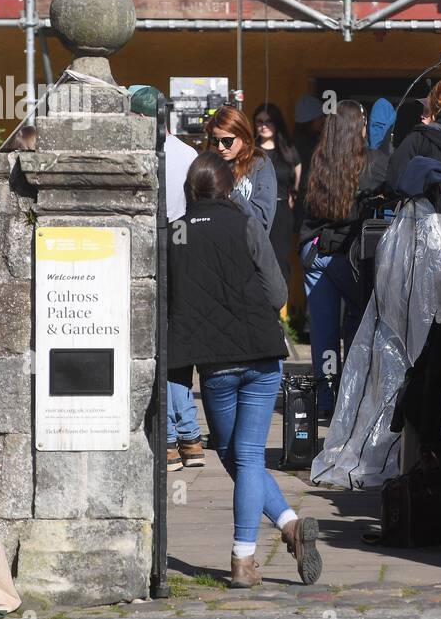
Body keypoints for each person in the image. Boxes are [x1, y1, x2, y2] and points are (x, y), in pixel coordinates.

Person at [168, 152, 321, 587]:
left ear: (190, 191)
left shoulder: (175, 233)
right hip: (261, 352)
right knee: (245, 455)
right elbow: (276, 291)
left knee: (235, 454)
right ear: (227, 187)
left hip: (216, 363)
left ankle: (243, 560)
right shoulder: (246, 224)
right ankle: (289, 526)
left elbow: (171, 303)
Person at [130, 84, 204, 468]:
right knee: (175, 352)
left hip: (146, 253)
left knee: (156, 349)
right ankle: (188, 437)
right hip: (182, 254)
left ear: (141, 118)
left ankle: (175, 440)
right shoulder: (190, 154)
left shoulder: (139, 152)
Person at [299, 99, 381, 413]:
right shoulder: (369, 163)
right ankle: (350, 398)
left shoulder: (319, 159)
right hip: (347, 256)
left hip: (315, 250)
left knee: (323, 330)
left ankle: (325, 398)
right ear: (357, 126)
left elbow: (307, 209)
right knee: (357, 323)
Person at [204, 105, 277, 234]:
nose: (220, 147)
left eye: (227, 141)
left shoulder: (260, 164)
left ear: (243, 136)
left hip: (246, 247)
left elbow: (262, 220)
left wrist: (231, 192)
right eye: (215, 140)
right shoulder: (209, 165)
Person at [253, 101, 302, 287]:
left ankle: (280, 311)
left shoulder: (288, 150)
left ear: (277, 123)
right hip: (256, 209)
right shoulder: (250, 151)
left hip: (281, 210)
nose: (264, 125)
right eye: (259, 121)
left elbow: (297, 174)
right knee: (256, 259)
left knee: (280, 260)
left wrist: (293, 195)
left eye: (269, 121)